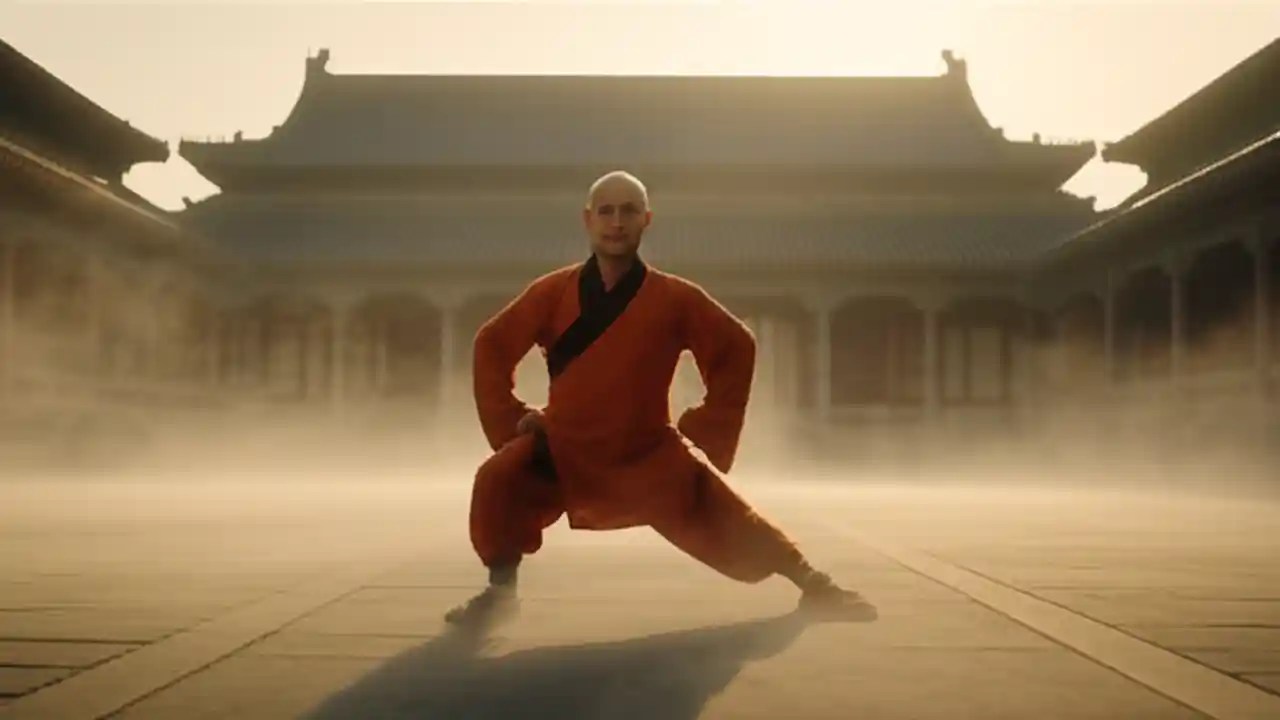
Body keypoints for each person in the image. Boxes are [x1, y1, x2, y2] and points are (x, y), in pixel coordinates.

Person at [445, 170, 877, 627]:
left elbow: (736, 346)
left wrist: (705, 425)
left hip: (646, 449)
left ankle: (813, 584)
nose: (617, 222)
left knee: (723, 512)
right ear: (588, 220)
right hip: (565, 443)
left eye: (628, 211)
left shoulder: (673, 297)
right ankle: (500, 593)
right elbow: (491, 343)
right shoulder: (553, 292)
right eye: (606, 212)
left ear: (646, 220)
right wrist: (515, 417)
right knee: (499, 479)